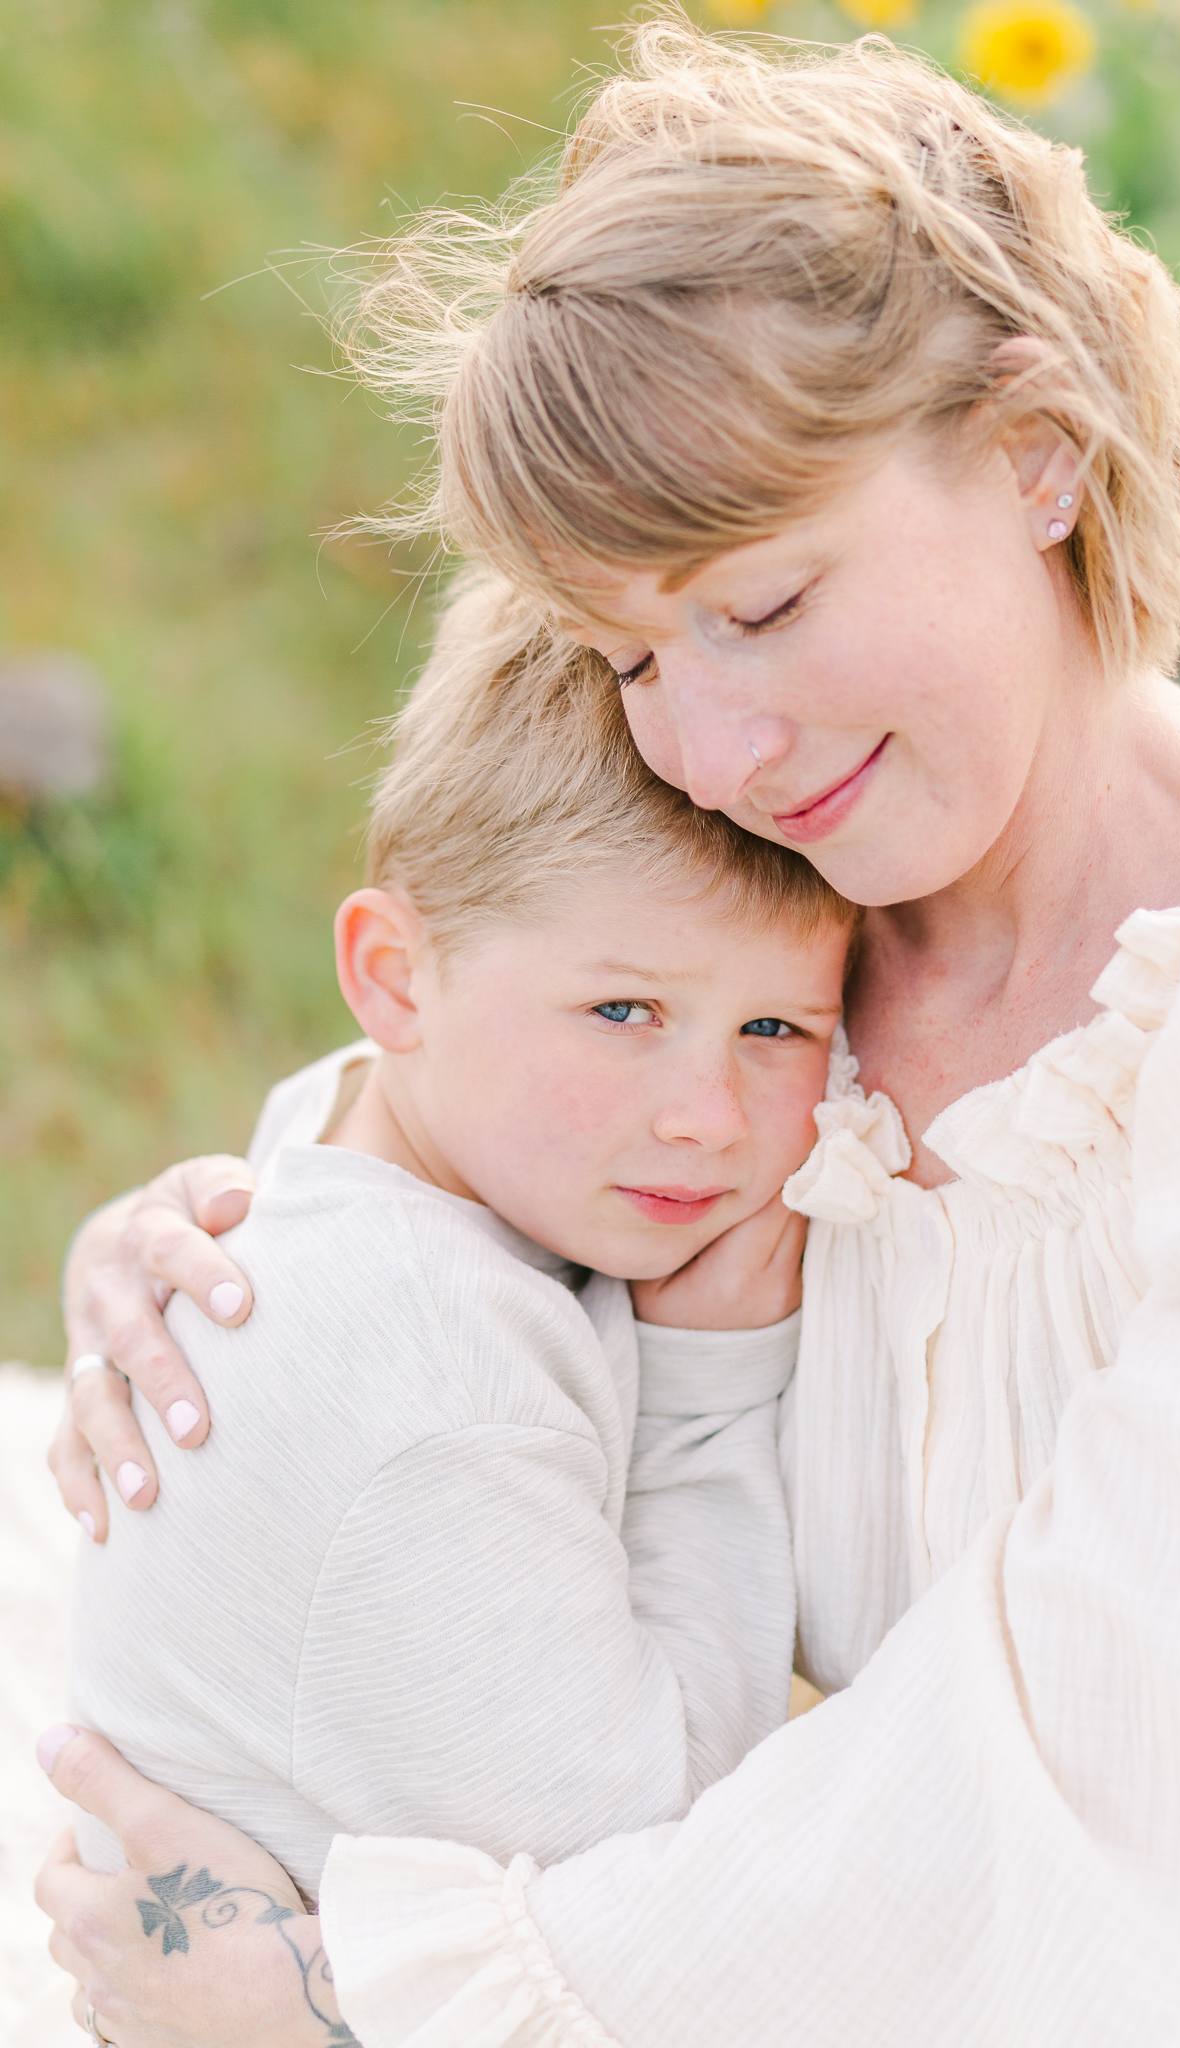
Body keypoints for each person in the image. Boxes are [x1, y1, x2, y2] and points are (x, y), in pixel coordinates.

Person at [36, 19, 1180, 2047]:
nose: (714, 745)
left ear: (1034, 451)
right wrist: (236, 1230)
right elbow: (464, 1071)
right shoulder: (764, 959)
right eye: (624, 650)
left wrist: (352, 2001)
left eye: (757, 607)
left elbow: (1113, 1777)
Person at [63, 570, 854, 1901]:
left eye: (775, 1030)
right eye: (622, 1012)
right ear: (392, 977)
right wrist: (707, 1393)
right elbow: (662, 1848)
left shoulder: (385, 1157)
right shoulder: (431, 1382)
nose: (709, 1118)